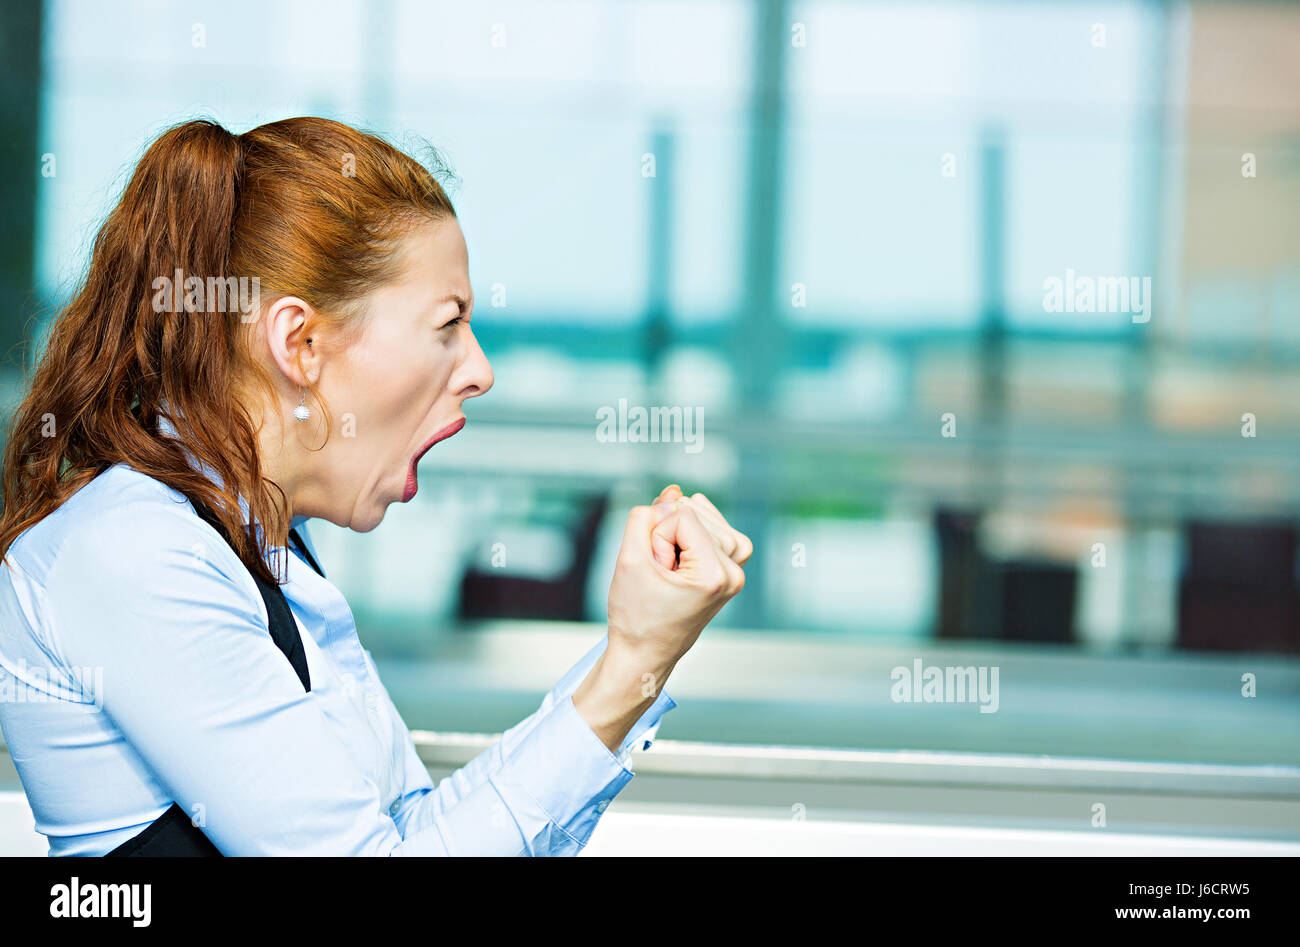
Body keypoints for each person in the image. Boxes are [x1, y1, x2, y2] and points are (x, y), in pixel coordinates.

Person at [0, 117, 751, 856]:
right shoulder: (136, 552)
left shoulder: (266, 552)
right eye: (448, 324)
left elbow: (409, 832)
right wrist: (629, 667)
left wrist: (636, 657)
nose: (480, 370)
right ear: (301, 343)